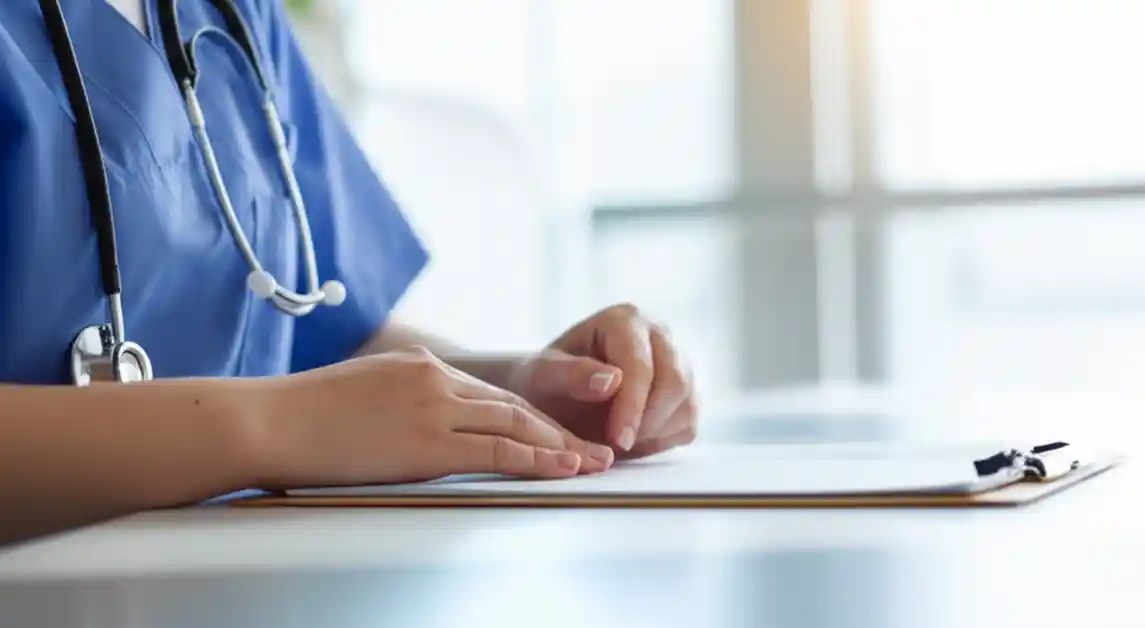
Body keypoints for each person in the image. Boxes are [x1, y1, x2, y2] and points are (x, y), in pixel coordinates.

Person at [0, 0, 697, 543]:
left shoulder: (224, 16)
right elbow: (307, 411)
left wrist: (522, 392)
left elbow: (329, 334)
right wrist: (276, 429)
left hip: (229, 615)